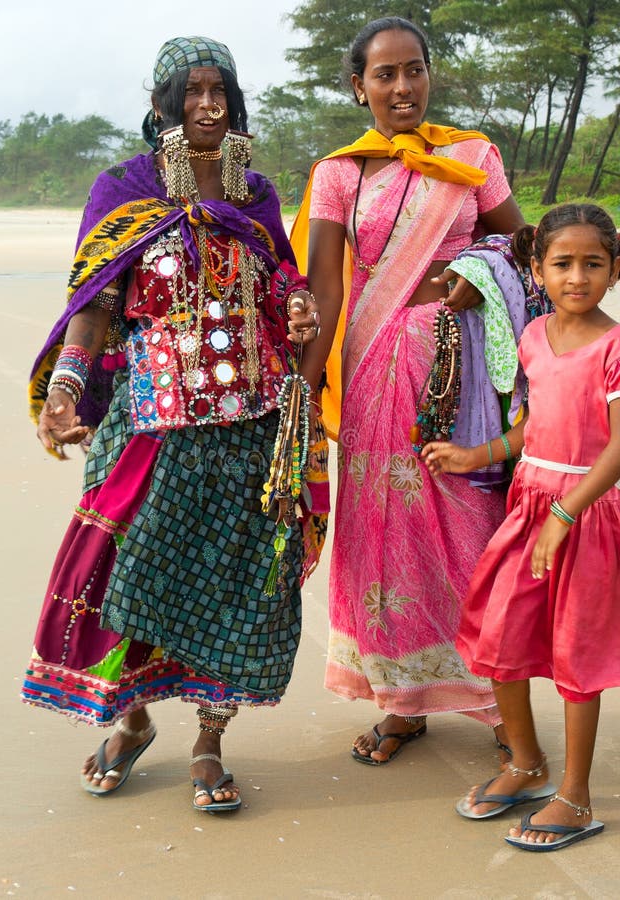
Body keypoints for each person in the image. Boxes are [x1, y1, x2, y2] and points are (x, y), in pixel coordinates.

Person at [22, 35, 327, 814]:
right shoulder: (120, 188)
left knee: (234, 580)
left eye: (220, 88)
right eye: (191, 90)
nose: (208, 104)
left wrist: (294, 306)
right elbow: (93, 304)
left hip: (248, 424)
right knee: (124, 569)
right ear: (162, 102)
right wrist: (65, 386)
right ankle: (130, 720)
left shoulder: (253, 192)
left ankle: (209, 740)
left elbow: (281, 282)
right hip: (149, 423)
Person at [291, 16, 526, 765]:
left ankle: (495, 699)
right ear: (357, 87)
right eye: (385, 74)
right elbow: (325, 283)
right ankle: (401, 701)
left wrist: (478, 269)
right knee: (384, 535)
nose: (402, 87)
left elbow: (521, 245)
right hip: (368, 373)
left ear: (431, 75)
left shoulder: (472, 155)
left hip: (459, 376)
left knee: (469, 524)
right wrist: (303, 390)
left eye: (414, 70)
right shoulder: (339, 173)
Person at [422, 203, 620, 850]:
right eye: (562, 264)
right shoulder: (534, 336)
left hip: (585, 511)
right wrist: (478, 455)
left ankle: (575, 796)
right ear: (538, 269)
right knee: (499, 628)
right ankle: (526, 764)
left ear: (614, 273)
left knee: (575, 653)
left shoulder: (614, 347)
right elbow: (533, 424)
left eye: (593, 264)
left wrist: (567, 514)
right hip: (530, 500)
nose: (577, 277)